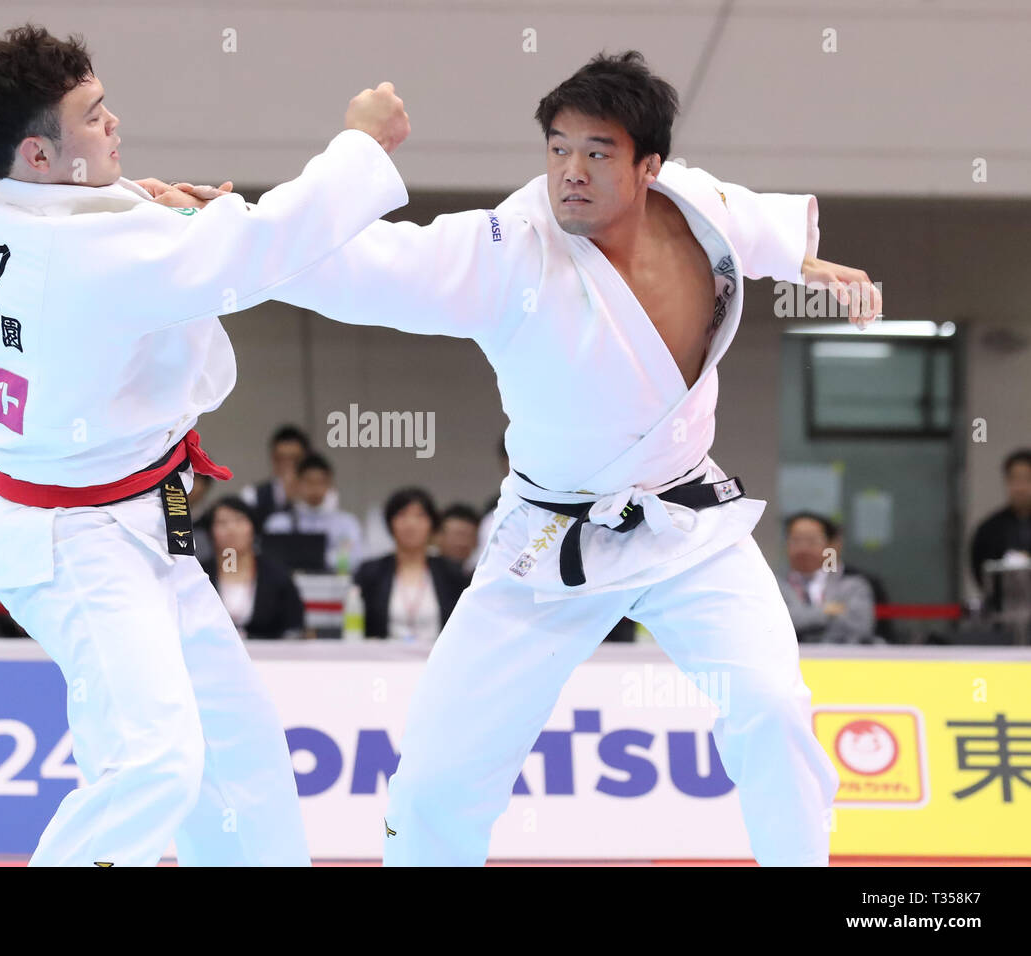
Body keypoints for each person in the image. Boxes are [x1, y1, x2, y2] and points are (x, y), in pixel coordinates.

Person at [273, 51, 882, 865]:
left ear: (648, 168)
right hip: (544, 541)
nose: (571, 172)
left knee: (773, 710)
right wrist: (236, 234)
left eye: (597, 152)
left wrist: (805, 263)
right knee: (436, 778)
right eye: (557, 148)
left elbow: (756, 230)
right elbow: (359, 267)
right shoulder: (505, 249)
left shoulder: (697, 208)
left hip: (686, 523)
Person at [0, 24, 409, 866]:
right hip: (76, 543)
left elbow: (82, 224)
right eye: (92, 116)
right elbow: (257, 247)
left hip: (146, 514)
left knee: (242, 760)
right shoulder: (95, 252)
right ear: (39, 156)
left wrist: (135, 200)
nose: (114, 123)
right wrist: (359, 145)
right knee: (152, 765)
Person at [353, 488, 469, 642]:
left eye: (420, 516)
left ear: (432, 524)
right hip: (383, 660)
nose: (411, 524)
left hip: (438, 659)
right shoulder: (371, 572)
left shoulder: (452, 573)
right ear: (390, 523)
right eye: (402, 515)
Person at [202, 497, 305, 639]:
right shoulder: (198, 575)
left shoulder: (277, 576)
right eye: (222, 523)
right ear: (210, 532)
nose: (231, 529)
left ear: (253, 528)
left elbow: (294, 627)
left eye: (239, 520)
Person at [778, 512, 877, 644]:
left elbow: (860, 628)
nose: (803, 548)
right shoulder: (772, 585)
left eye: (811, 541)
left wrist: (802, 619)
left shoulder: (854, 585)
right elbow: (774, 625)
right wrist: (826, 611)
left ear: (833, 545)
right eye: (795, 540)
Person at [263, 453, 362, 572]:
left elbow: (355, 559)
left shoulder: (347, 523)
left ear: (330, 484)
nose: (315, 489)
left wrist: (314, 558)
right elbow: (269, 561)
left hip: (333, 586)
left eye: (321, 482)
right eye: (309, 482)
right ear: (297, 483)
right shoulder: (279, 523)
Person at [970, 448, 1031, 607]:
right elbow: (979, 570)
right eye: (1014, 479)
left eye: (1026, 479)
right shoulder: (989, 528)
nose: (1020, 488)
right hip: (1002, 611)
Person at [242, 425, 311, 529]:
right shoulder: (253, 495)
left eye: (294, 459)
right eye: (281, 459)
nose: (288, 465)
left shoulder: (321, 494)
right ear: (273, 459)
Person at [435, 503, 482, 574]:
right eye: (457, 535)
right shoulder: (424, 571)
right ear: (439, 536)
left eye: (468, 536)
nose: (461, 542)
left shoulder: (480, 574)